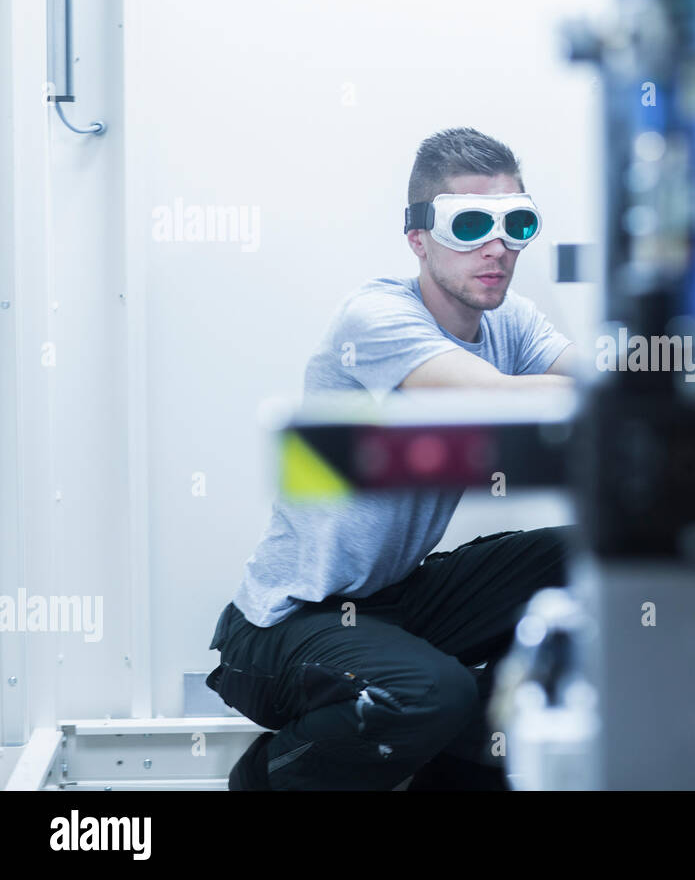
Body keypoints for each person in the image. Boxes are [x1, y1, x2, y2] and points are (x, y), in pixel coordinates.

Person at [206, 127, 578, 790]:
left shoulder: (508, 319)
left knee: (585, 553)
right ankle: (265, 781)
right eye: (469, 225)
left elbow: (596, 373)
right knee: (431, 691)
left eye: (516, 223)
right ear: (418, 238)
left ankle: (456, 758)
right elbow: (494, 399)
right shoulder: (377, 318)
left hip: (396, 597)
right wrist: (619, 384)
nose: (497, 248)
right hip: (289, 625)